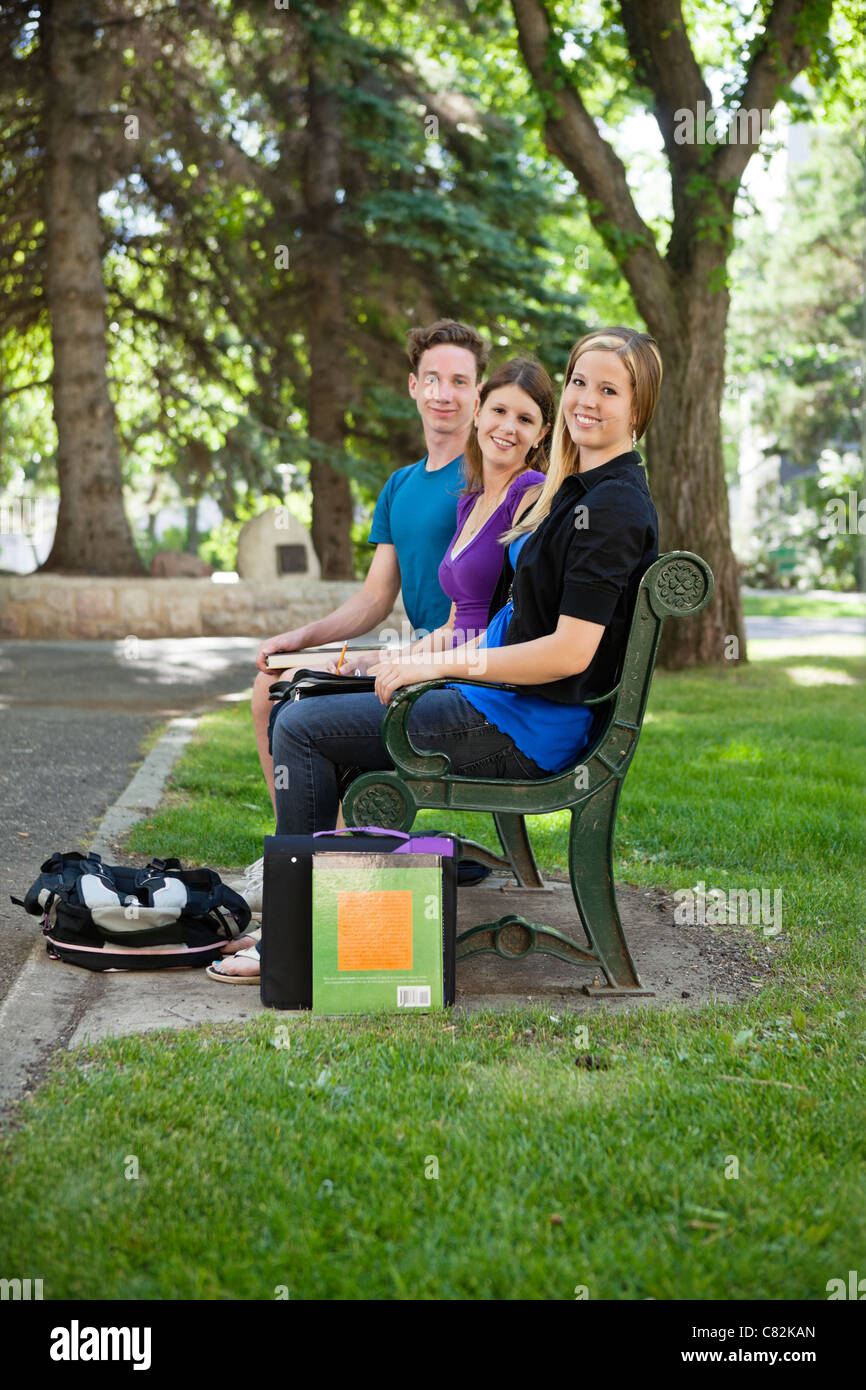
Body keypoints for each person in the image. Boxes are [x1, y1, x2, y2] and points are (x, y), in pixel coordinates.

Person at [209, 356, 556, 980]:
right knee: (291, 703)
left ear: (541, 432)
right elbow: (457, 617)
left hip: (480, 688)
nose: (507, 426)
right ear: (484, 414)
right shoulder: (474, 498)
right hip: (451, 664)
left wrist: (431, 668)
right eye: (500, 411)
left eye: (524, 418)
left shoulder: (530, 498)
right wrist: (395, 655)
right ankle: (317, 904)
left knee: (300, 726)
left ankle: (295, 929)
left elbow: (519, 623)